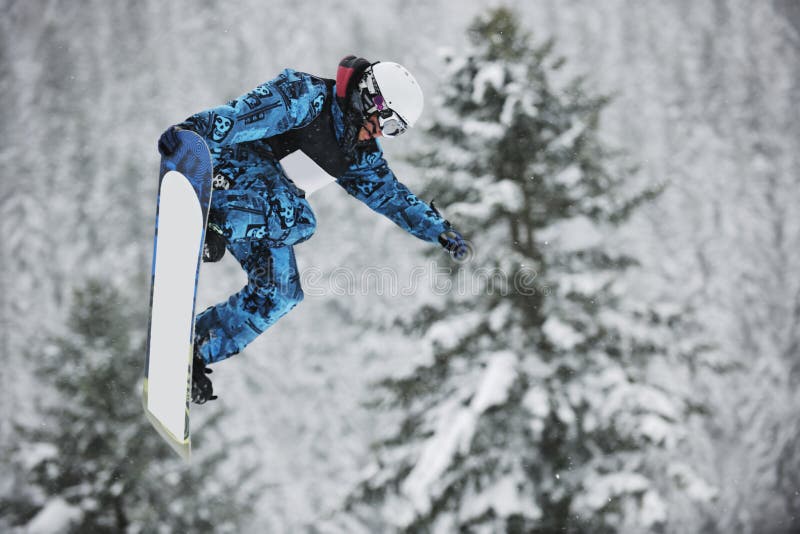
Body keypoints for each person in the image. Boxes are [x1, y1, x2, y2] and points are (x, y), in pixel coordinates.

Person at [158, 56, 468, 404]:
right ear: (371, 99)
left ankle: (194, 349)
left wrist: (438, 230)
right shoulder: (307, 97)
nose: (383, 132)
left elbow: (392, 198)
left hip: (260, 211)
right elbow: (241, 116)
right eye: (388, 122)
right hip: (228, 169)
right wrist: (191, 135)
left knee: (281, 292)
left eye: (396, 131)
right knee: (299, 218)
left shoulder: (359, 154)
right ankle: (211, 222)